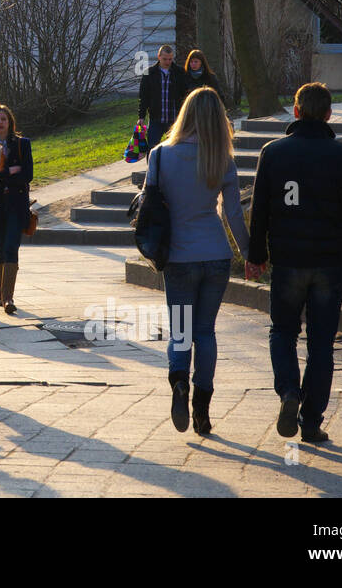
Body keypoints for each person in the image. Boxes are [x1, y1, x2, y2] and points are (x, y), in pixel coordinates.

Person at [245, 82, 342, 445]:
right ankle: (311, 421)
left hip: (288, 260)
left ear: (296, 111)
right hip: (329, 262)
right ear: (330, 114)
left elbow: (260, 212)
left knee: (282, 331)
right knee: (322, 344)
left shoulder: (273, 153)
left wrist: (256, 256)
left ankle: (289, 390)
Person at [148, 86, 248, 437]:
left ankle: (178, 381)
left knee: (181, 330)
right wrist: (250, 255)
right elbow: (234, 215)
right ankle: (202, 410)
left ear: (184, 114)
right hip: (216, 256)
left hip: (177, 256)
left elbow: (150, 207)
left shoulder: (160, 156)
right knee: (205, 331)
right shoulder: (223, 160)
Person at [0, 104, 33, 315]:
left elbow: (27, 174)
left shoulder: (22, 144)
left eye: (3, 118)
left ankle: (8, 297)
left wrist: (2, 174)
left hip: (15, 203)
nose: (0, 122)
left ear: (9, 122)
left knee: (12, 247)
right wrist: (8, 172)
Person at [138, 44, 188, 148]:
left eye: (170, 59)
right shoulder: (149, 73)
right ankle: (153, 165)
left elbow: (185, 95)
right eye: (165, 59)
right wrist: (141, 117)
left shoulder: (179, 72)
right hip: (156, 119)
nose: (167, 62)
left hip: (174, 118)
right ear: (159, 56)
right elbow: (144, 97)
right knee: (152, 148)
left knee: (175, 149)